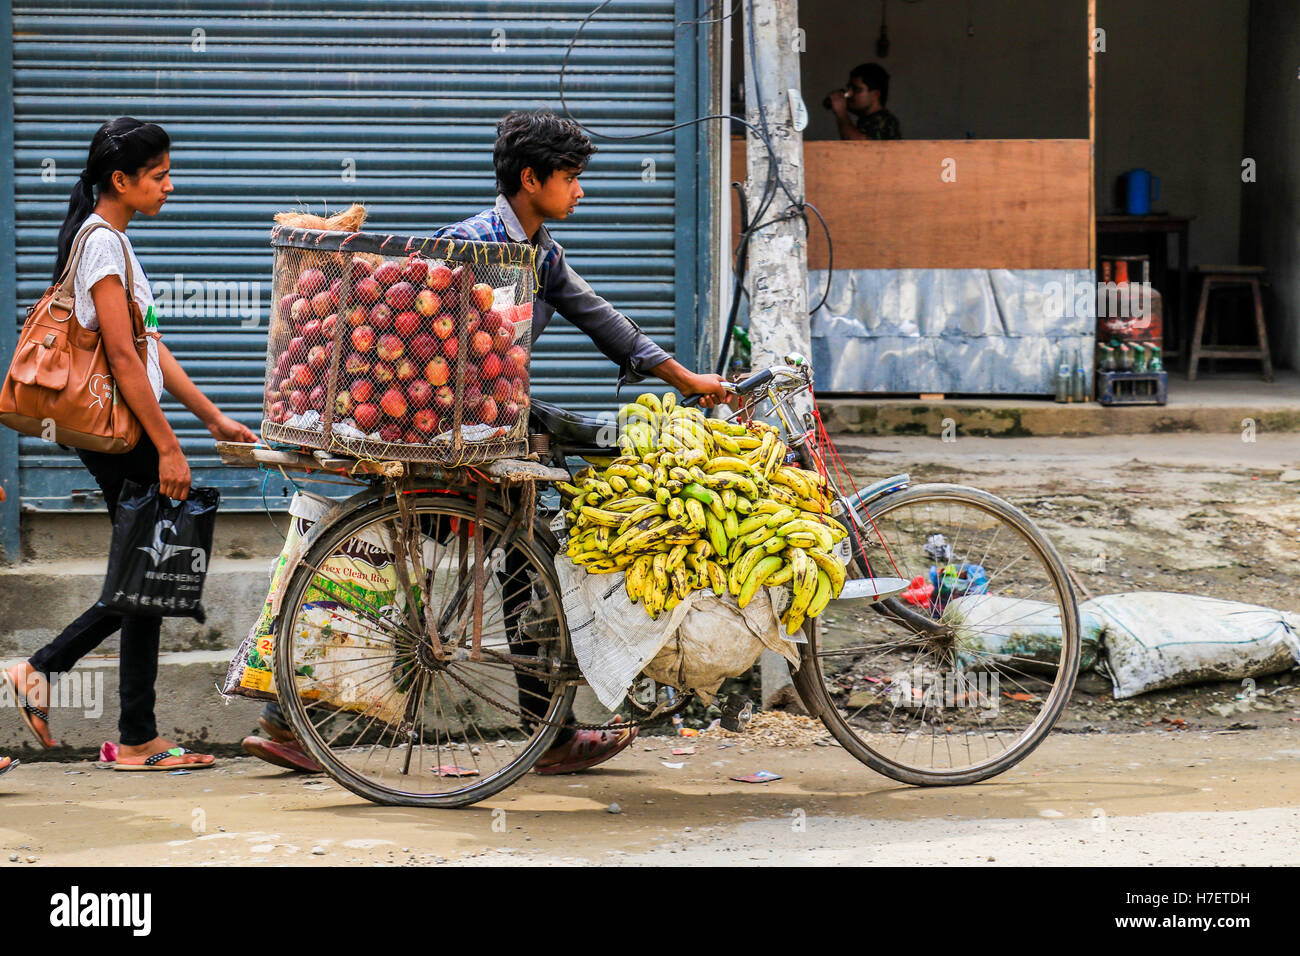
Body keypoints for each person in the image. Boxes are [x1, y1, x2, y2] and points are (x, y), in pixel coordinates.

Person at [241, 109, 729, 776]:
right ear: (531, 180)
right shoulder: (468, 248)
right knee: (477, 558)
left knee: (502, 556)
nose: (580, 191)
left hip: (481, 431)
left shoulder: (538, 252)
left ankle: (543, 736)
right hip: (442, 438)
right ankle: (544, 737)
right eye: (571, 178)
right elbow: (420, 351)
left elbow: (601, 319)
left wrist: (685, 377)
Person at [3, 117, 257, 771]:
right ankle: (58, 680)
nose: (170, 186)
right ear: (121, 180)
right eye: (159, 175)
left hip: (134, 431)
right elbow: (119, 353)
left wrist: (212, 419)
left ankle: (124, 728)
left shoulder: (114, 240)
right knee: (152, 566)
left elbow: (150, 349)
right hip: (125, 435)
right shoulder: (101, 244)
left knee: (148, 565)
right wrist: (169, 447)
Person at [827, 63, 901, 141]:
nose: (849, 94)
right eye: (849, 88)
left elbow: (860, 145)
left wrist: (841, 113)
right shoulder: (867, 120)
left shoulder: (885, 121)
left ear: (875, 94)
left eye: (857, 89)